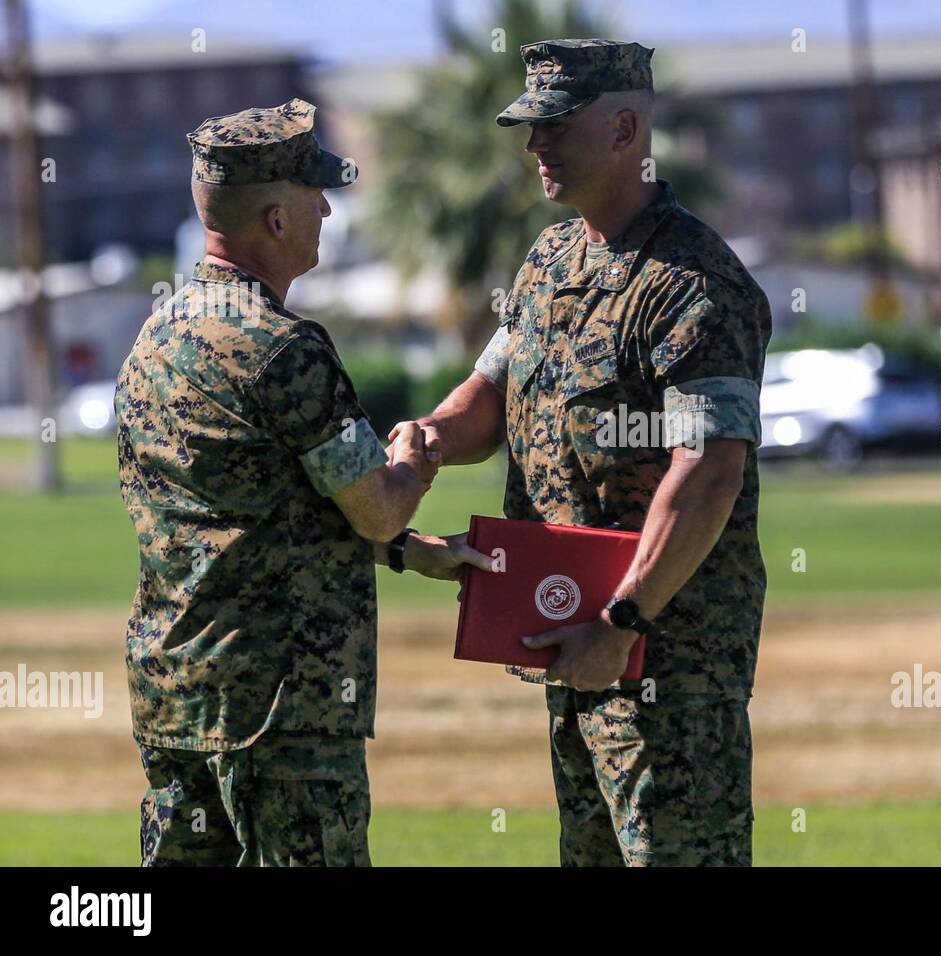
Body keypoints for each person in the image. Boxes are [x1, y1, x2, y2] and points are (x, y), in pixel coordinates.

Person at [402, 40, 772, 866]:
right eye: (531, 128)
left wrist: (622, 620)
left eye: (556, 125)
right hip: (565, 638)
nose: (537, 145)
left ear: (626, 128)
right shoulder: (549, 261)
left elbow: (709, 471)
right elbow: (489, 394)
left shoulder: (693, 284)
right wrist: (429, 436)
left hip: (664, 664)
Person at [116, 98, 492, 866]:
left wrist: (410, 552)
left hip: (176, 693)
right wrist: (416, 455)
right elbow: (378, 508)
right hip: (282, 711)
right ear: (277, 220)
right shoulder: (284, 348)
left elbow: (245, 511)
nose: (327, 208)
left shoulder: (156, 337)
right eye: (314, 195)